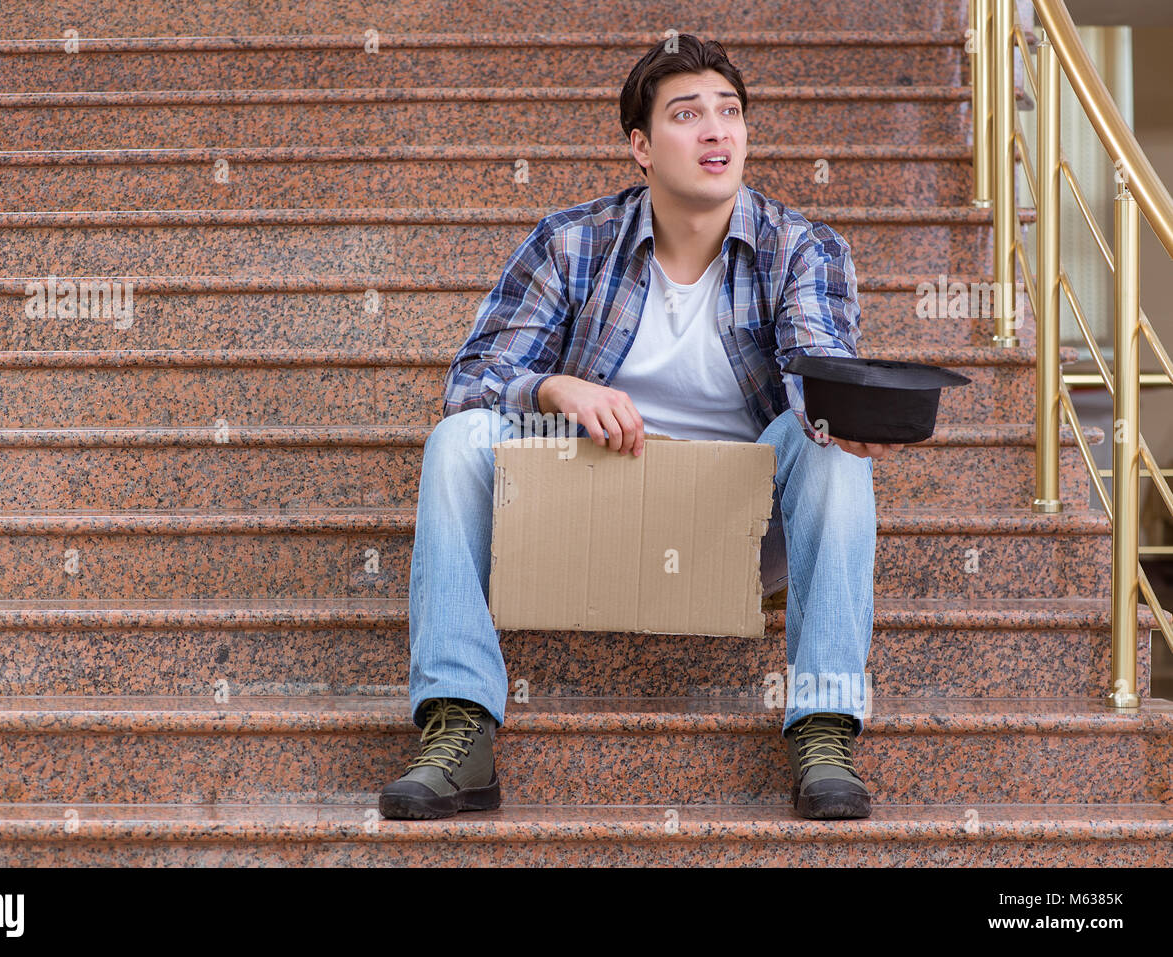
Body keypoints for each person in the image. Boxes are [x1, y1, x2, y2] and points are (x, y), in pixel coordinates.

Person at [379, 34, 903, 822]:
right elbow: (472, 383)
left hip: (739, 528)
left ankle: (824, 726)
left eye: (729, 112)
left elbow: (816, 362)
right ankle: (461, 727)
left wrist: (845, 414)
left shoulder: (803, 249)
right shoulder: (571, 242)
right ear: (640, 146)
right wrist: (557, 388)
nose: (716, 131)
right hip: (593, 509)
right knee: (458, 442)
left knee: (828, 450)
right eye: (687, 115)